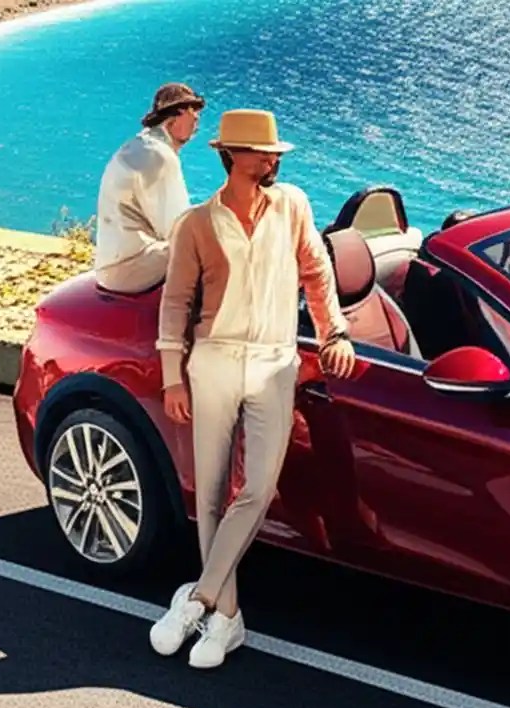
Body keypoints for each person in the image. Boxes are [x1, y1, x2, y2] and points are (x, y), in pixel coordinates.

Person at [148, 108, 356, 669]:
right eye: (263, 153)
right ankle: (226, 620)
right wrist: (172, 377)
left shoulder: (292, 206)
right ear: (233, 157)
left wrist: (334, 333)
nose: (272, 160)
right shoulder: (195, 223)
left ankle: (196, 599)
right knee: (210, 495)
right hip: (213, 362)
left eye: (273, 154)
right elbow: (174, 303)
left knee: (258, 488)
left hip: (273, 364)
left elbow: (317, 273)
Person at [93, 82, 204, 293]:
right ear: (174, 117)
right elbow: (176, 229)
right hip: (133, 266)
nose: (197, 118)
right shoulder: (159, 156)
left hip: (110, 265)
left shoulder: (138, 146)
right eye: (191, 110)